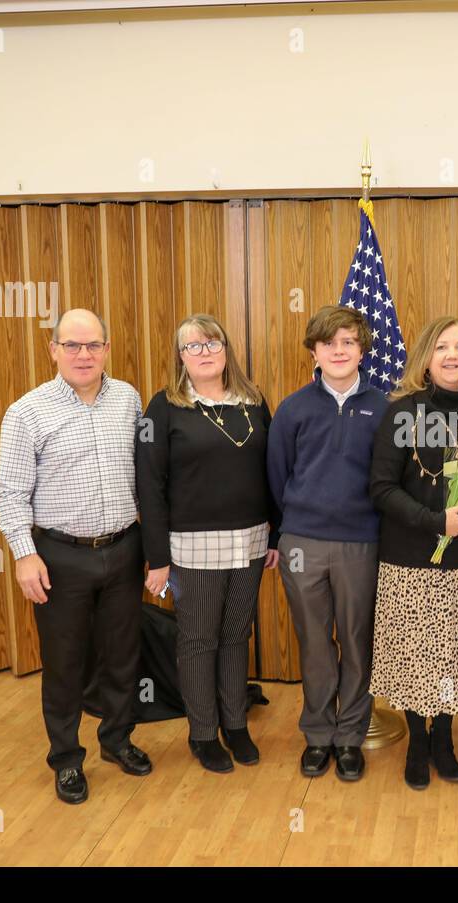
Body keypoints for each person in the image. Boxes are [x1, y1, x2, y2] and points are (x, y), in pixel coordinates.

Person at [0, 308, 150, 805]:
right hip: (60, 557)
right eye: (73, 345)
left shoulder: (128, 399)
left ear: (107, 348)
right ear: (53, 349)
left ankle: (117, 740)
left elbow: (144, 477)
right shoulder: (26, 412)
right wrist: (23, 554)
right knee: (65, 664)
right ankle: (65, 759)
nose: (85, 355)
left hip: (124, 548)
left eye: (94, 345)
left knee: (123, 656)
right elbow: (10, 491)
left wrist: (154, 548)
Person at [135, 314, 279, 774]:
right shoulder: (164, 408)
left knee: (237, 636)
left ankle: (235, 724)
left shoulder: (253, 400)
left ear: (226, 349)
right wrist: (156, 558)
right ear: (180, 357)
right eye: (192, 346)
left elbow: (272, 472)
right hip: (190, 547)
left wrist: (274, 533)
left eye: (212, 342)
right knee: (198, 640)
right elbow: (149, 486)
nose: (204, 351)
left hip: (251, 540)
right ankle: (202, 733)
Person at [368, 317, 458, 790]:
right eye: (442, 346)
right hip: (408, 558)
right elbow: (380, 488)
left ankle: (445, 739)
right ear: (427, 356)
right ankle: (418, 744)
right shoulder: (401, 413)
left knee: (453, 655)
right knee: (414, 655)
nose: (452, 355)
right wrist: (434, 521)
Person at [267, 305, 388, 782]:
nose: (339, 351)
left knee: (358, 641)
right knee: (315, 641)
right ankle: (319, 734)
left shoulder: (384, 408)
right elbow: (277, 477)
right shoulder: (294, 408)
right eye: (329, 343)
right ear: (314, 351)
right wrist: (285, 531)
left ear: (362, 350)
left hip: (362, 542)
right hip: (302, 543)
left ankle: (350, 736)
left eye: (349, 343)